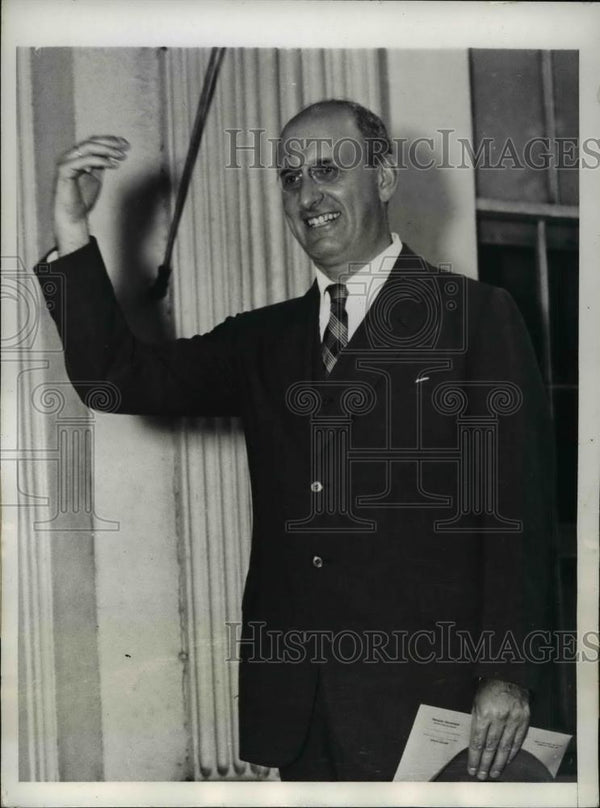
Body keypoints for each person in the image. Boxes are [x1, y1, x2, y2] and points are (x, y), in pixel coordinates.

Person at [34, 99, 556, 781]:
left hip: (437, 711)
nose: (308, 194)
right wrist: (73, 227)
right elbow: (116, 381)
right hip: (303, 715)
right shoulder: (263, 340)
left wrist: (508, 676)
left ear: (385, 179)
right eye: (289, 177)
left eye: (328, 170)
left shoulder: (477, 317)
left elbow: (516, 515)